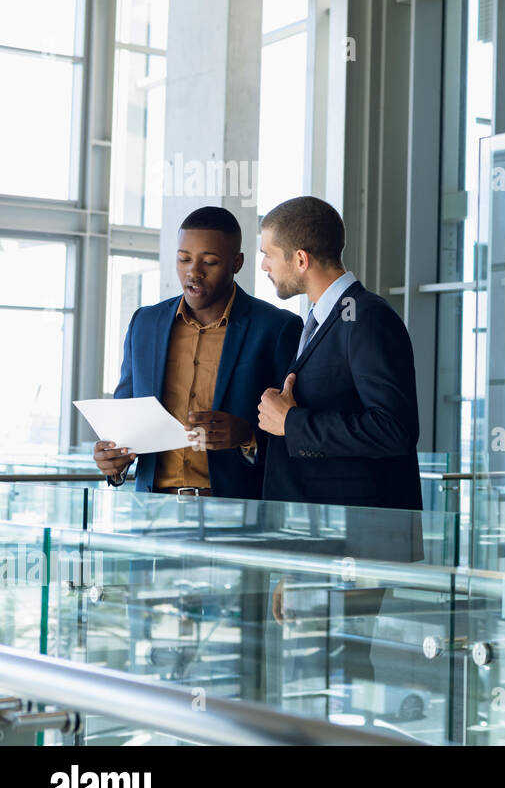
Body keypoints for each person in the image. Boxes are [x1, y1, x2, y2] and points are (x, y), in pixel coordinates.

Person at [256, 195, 423, 560]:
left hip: (358, 541)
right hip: (316, 536)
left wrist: (291, 422)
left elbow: (395, 429)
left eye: (268, 254)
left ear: (300, 259)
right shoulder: (317, 321)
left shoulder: (368, 318)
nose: (264, 265)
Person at [95, 206, 302, 497]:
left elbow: (299, 435)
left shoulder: (277, 328)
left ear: (237, 263)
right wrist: (114, 462)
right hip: (152, 510)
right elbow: (124, 422)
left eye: (210, 262)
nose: (194, 272)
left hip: (235, 512)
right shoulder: (144, 323)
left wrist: (247, 437)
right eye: (184, 259)